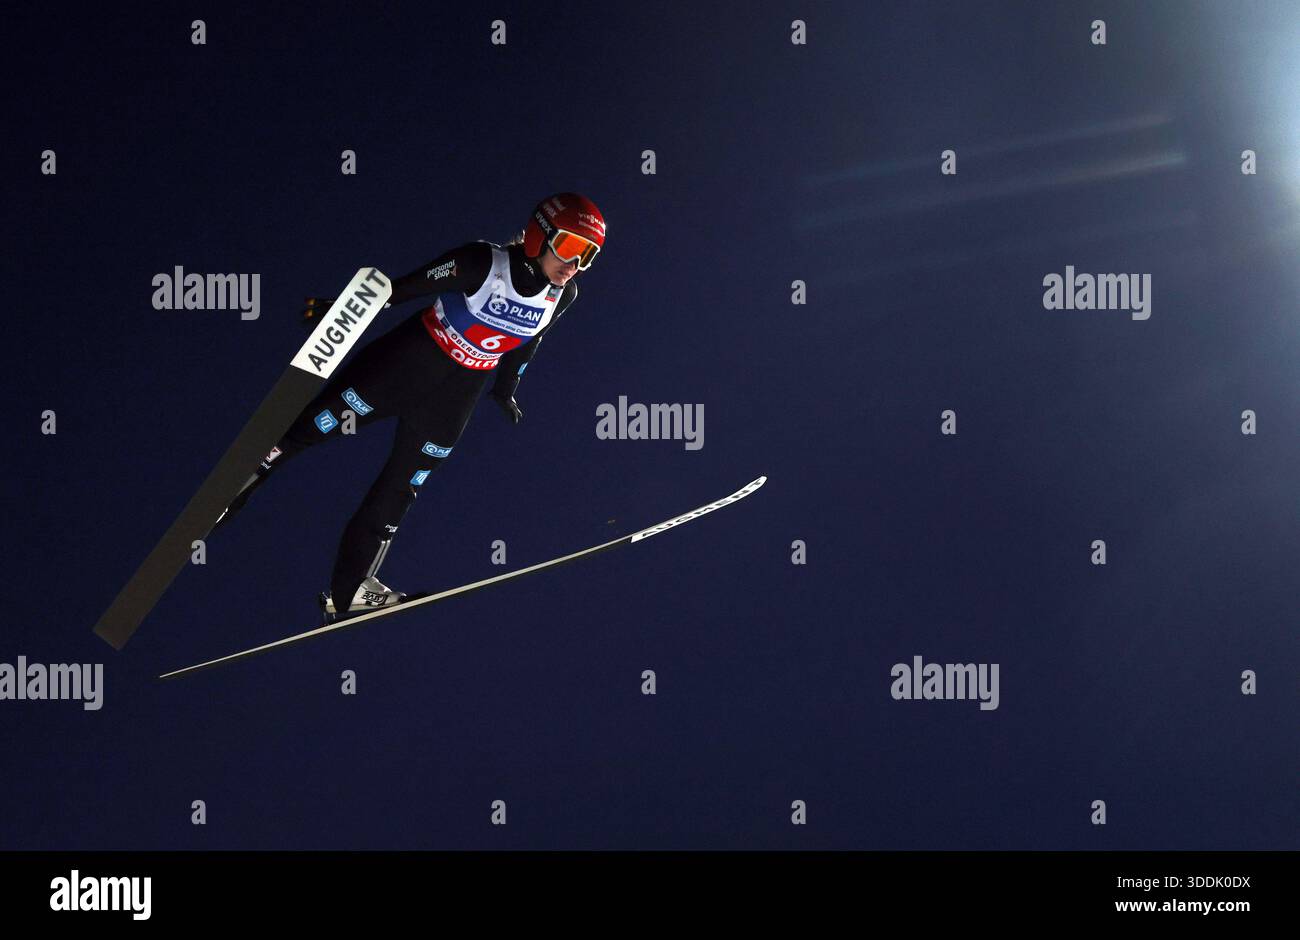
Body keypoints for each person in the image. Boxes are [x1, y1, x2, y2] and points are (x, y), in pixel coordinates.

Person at [207, 192, 606, 622]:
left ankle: (350, 590)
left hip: (456, 396)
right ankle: (228, 495)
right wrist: (338, 310)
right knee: (309, 429)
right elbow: (401, 290)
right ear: (538, 236)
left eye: (588, 255)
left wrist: (505, 388)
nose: (575, 264)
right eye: (568, 247)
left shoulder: (562, 296)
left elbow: (529, 341)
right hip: (406, 365)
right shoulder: (482, 263)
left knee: (403, 486)